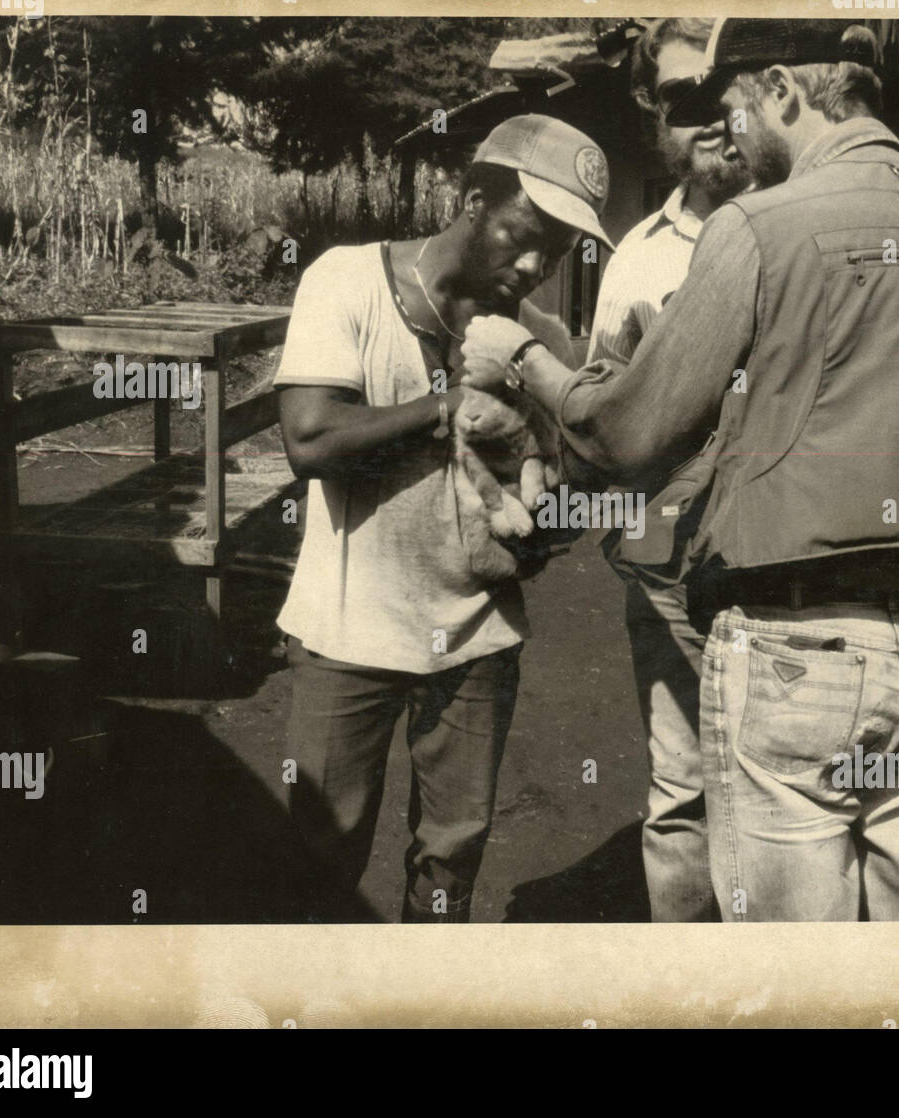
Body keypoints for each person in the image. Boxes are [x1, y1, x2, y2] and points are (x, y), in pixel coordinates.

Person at [460, 20, 899, 922]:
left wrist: (526, 359)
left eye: (733, 107)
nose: (727, 133)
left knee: (794, 977)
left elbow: (625, 433)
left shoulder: (755, 231)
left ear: (780, 90)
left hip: (791, 660)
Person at [274, 114, 610, 922]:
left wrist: (550, 526)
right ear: (470, 201)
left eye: (557, 253)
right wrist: (449, 405)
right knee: (320, 851)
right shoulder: (345, 281)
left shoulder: (536, 339)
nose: (533, 266)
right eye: (522, 236)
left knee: (450, 864)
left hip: (476, 639)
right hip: (347, 630)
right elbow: (311, 439)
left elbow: (552, 485)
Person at [586, 17, 750, 922]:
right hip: (673, 568)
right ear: (656, 115)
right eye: (685, 100)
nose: (714, 118)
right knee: (684, 787)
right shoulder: (639, 259)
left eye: (727, 92)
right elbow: (606, 423)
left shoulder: (806, 226)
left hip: (792, 570)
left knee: (795, 801)